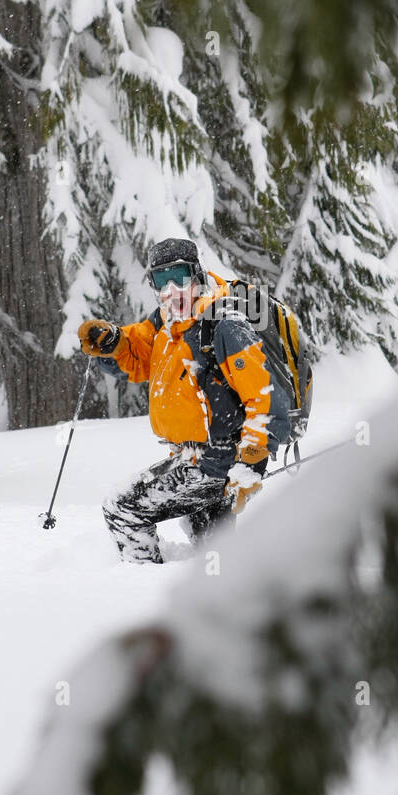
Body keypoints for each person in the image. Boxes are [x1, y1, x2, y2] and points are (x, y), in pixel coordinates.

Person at [78, 238, 289, 564]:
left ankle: (136, 589)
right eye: (162, 280)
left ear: (197, 274)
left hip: (212, 464)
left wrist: (249, 466)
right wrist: (114, 343)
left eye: (180, 276)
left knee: (123, 508)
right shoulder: (167, 322)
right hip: (198, 458)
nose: (172, 289)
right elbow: (140, 355)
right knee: (213, 556)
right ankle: (222, 602)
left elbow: (265, 397)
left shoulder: (225, 324)